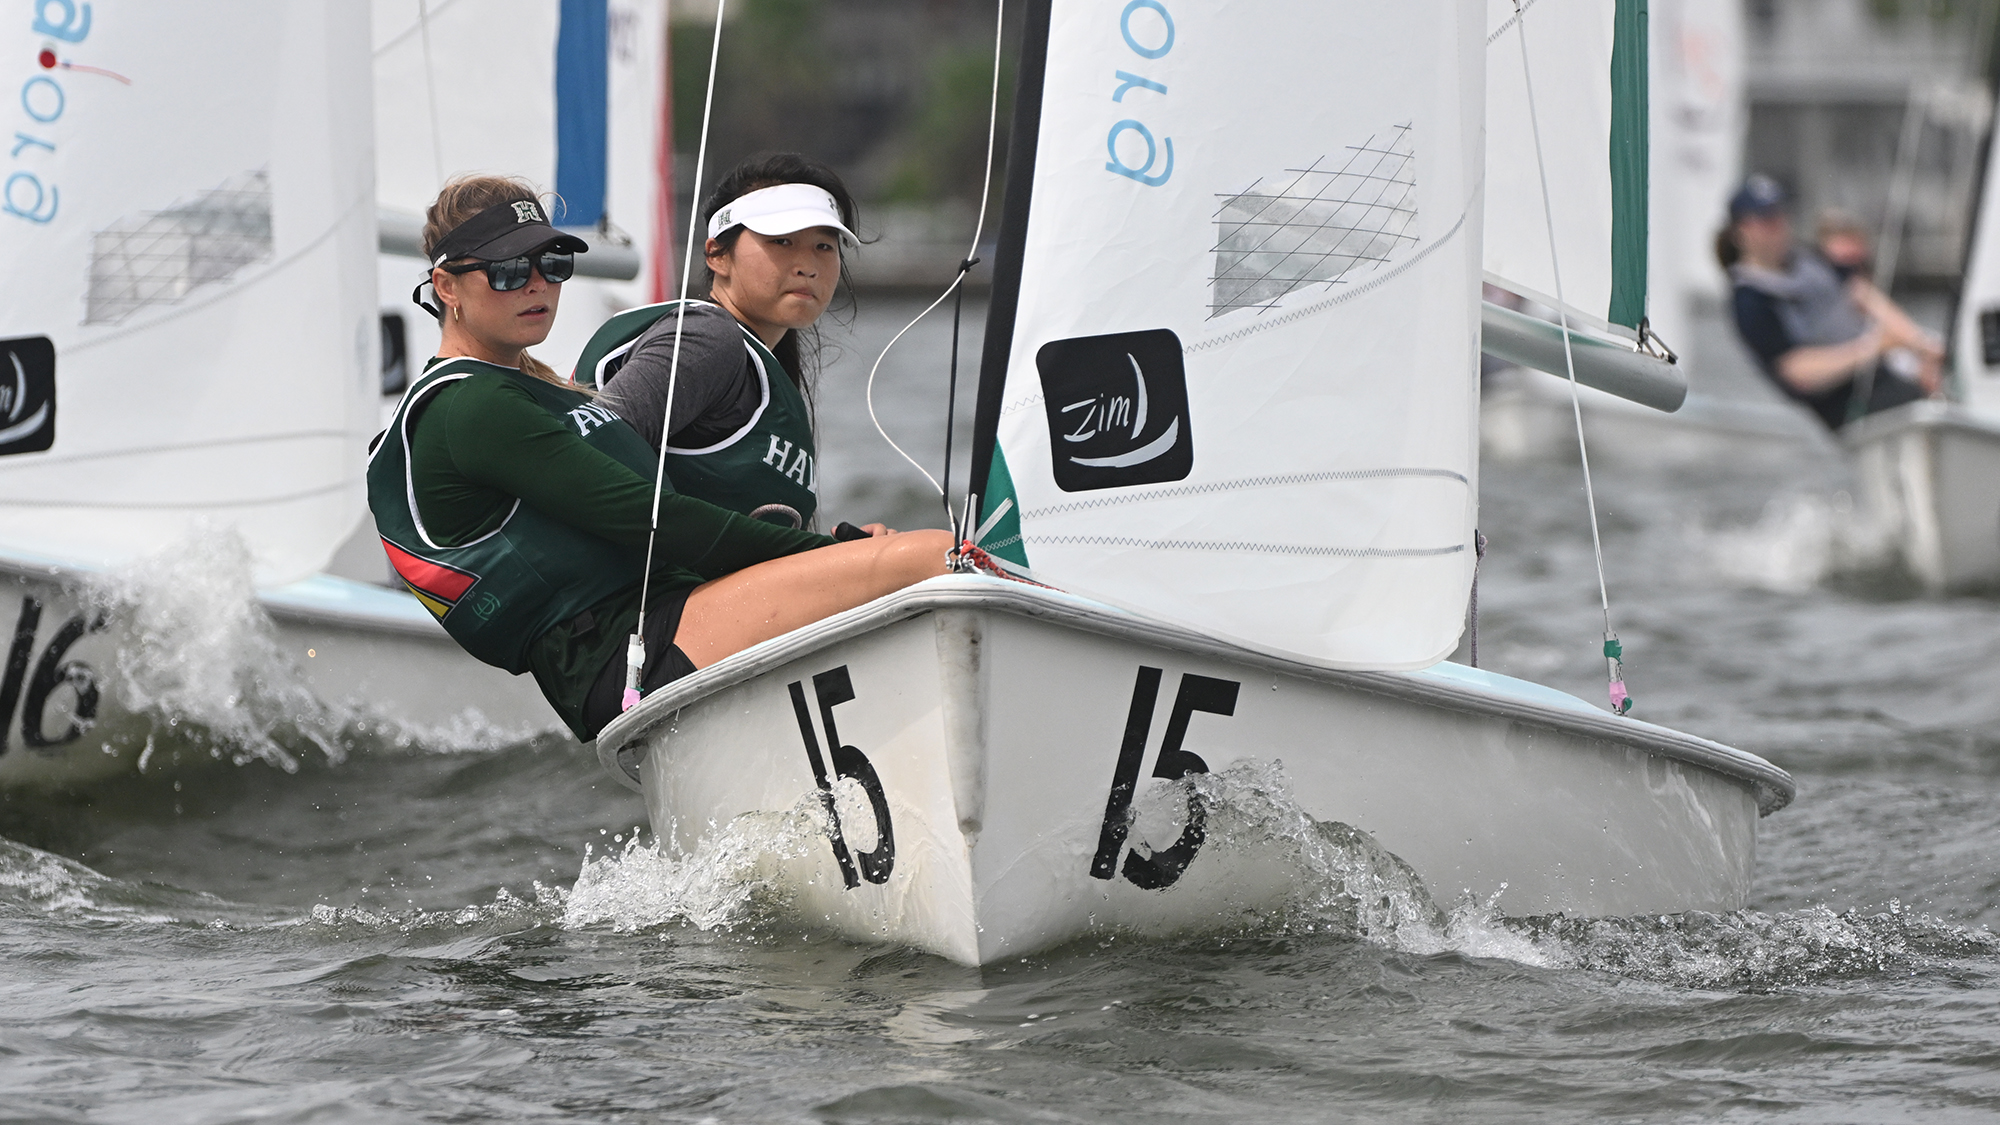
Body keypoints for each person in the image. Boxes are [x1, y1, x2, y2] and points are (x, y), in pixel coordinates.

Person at [365, 175, 952, 742]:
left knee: (907, 563)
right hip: (626, 651)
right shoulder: (474, 406)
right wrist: (842, 556)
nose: (537, 285)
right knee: (933, 558)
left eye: (554, 265)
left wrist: (840, 546)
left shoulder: (526, 392)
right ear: (446, 286)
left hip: (650, 633)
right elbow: (657, 522)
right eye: (510, 270)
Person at [583, 153, 855, 533]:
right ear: (716, 254)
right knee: (926, 554)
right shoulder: (709, 338)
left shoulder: (764, 369)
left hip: (703, 587)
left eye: (824, 247)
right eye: (782, 241)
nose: (807, 265)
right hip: (642, 590)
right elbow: (583, 451)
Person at [1717, 175, 1941, 430]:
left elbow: (1863, 295)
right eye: (1767, 220)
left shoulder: (1808, 258)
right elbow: (1798, 372)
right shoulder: (1750, 301)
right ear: (1742, 232)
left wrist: (1919, 344)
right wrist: (1870, 348)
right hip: (1848, 407)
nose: (1779, 227)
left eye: (1781, 216)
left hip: (1886, 373)